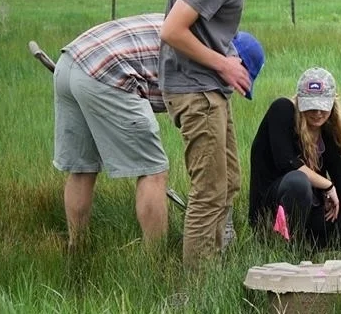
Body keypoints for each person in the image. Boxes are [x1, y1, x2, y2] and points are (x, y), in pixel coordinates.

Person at [159, 0, 296, 266]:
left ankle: (218, 265)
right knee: (209, 193)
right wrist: (222, 64)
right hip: (197, 90)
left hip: (209, 88)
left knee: (229, 181)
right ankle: (199, 290)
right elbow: (171, 31)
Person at [52, 13, 263, 251]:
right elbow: (199, 127)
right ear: (236, 64)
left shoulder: (197, 31)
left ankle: (77, 249)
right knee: (154, 172)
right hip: (109, 74)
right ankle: (155, 259)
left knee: (83, 167)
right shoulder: (206, 60)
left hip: (72, 62)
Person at [248, 67, 341, 250]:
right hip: (272, 208)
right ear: (299, 101)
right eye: (311, 106)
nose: (317, 113)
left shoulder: (334, 137)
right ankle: (283, 246)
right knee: (298, 182)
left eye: (322, 106)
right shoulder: (282, 110)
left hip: (313, 213)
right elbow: (287, 163)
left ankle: (310, 245)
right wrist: (327, 185)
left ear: (332, 103)